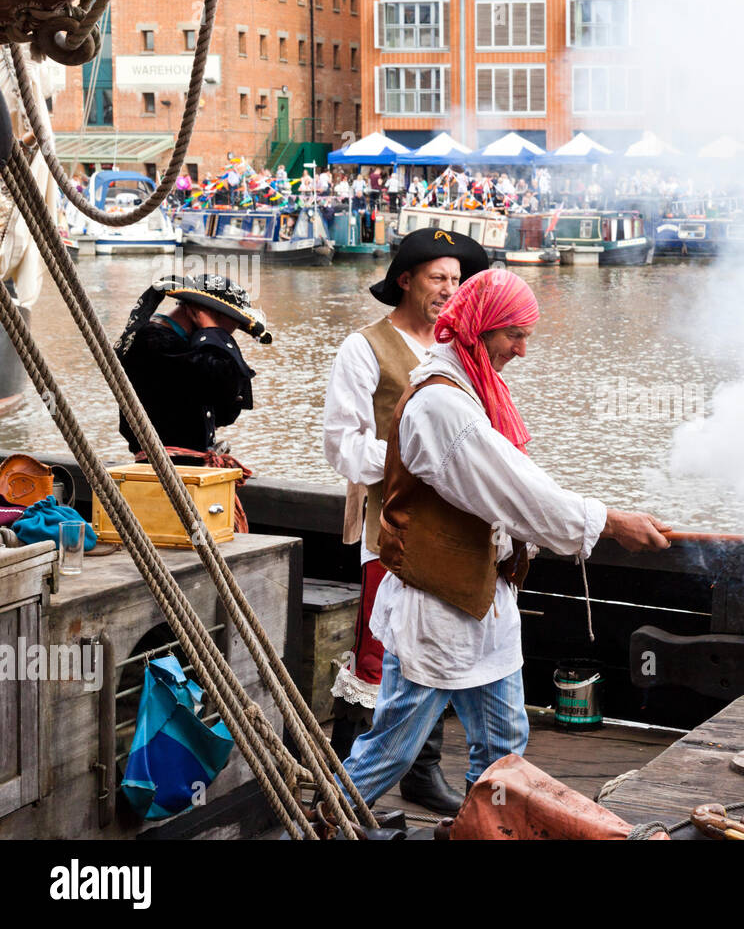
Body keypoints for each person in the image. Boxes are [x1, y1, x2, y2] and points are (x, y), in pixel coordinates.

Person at [340, 269, 672, 804]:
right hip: (438, 607)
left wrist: (600, 515)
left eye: (526, 336)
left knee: (503, 744)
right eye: (512, 334)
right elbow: (518, 493)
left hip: (484, 603)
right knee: (392, 749)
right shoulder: (441, 405)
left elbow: (522, 483)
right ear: (480, 329)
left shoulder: (471, 388)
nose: (520, 349)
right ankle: (318, 826)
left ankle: (483, 830)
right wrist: (608, 521)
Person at [322, 228, 490, 816]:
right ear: (406, 281)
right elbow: (343, 445)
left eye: (456, 279)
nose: (450, 289)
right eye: (437, 278)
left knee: (440, 649)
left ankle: (421, 774)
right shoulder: (364, 347)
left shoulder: (462, 351)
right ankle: (346, 792)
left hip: (457, 531)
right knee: (378, 655)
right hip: (391, 525)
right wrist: (416, 468)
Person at [113, 275, 272, 530]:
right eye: (226, 326)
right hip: (167, 475)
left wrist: (211, 334)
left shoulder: (185, 346)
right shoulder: (154, 342)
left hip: (189, 474)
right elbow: (219, 375)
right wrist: (212, 333)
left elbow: (227, 407)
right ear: (202, 313)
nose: (228, 334)